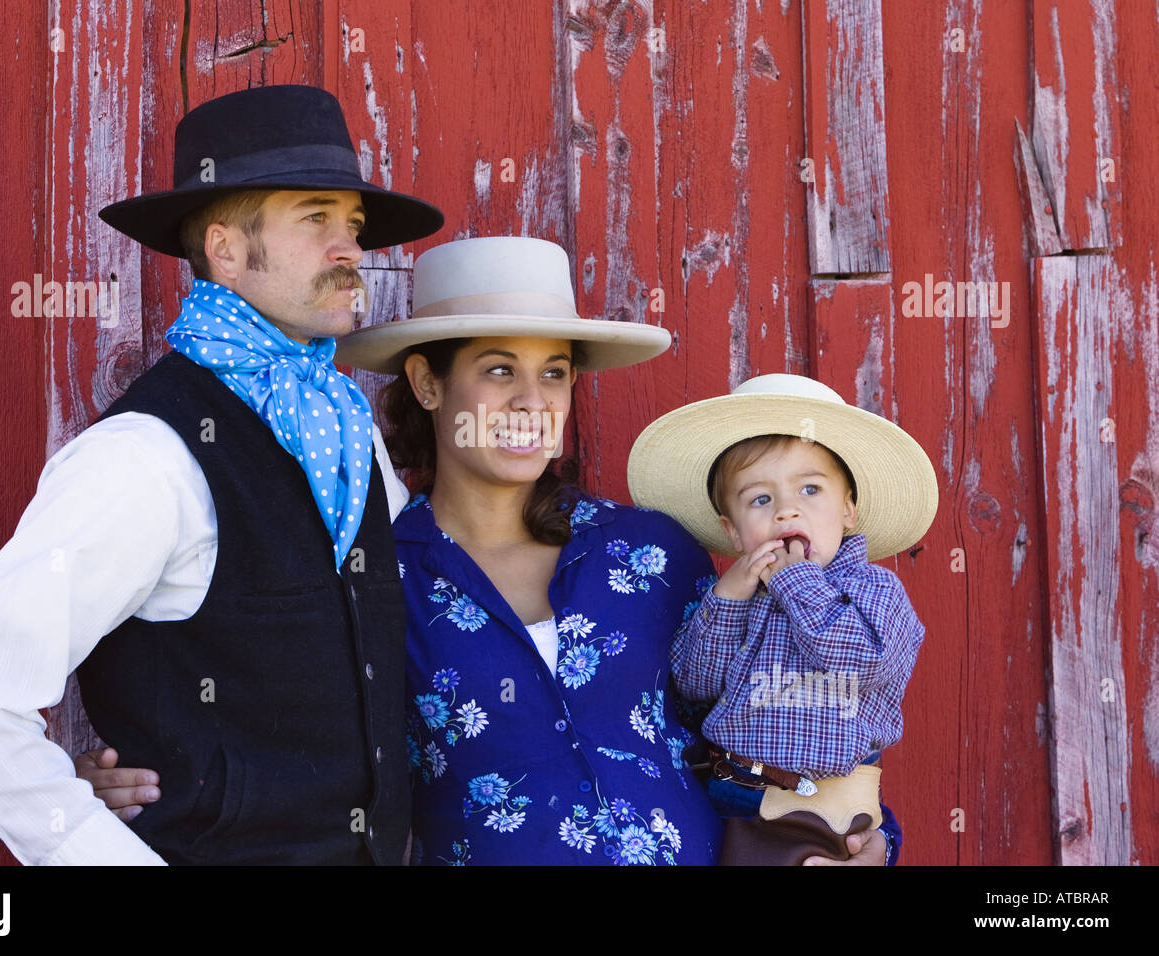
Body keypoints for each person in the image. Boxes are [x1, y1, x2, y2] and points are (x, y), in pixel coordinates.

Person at [84, 237, 900, 864]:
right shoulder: (371, 580)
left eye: (554, 374)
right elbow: (282, 741)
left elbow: (771, 713)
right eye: (499, 368)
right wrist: (128, 786)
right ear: (429, 384)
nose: (529, 401)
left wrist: (857, 832)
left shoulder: (654, 554)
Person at [0, 84, 444, 865]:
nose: (350, 252)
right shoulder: (143, 457)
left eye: (354, 227)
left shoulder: (345, 430)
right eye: (316, 221)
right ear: (226, 250)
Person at [627, 373, 937, 864]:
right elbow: (694, 683)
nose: (787, 511)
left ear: (848, 509)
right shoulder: (734, 596)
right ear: (732, 531)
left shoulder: (875, 590)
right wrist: (725, 601)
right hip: (731, 797)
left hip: (823, 807)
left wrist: (796, 582)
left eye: (810, 489)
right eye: (760, 500)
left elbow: (861, 661)